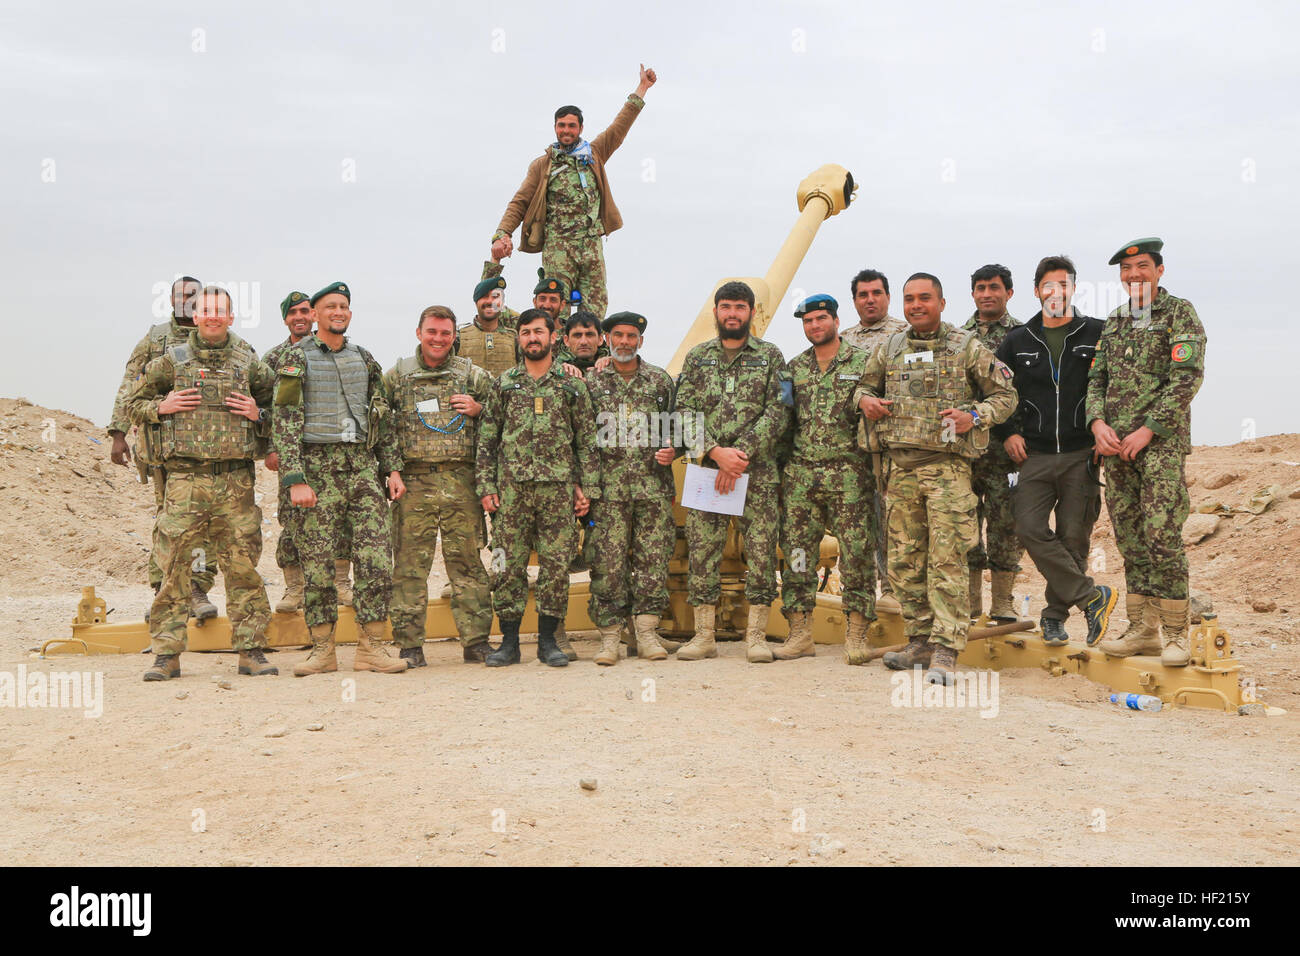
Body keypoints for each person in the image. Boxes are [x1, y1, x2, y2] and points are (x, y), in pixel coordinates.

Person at [854, 273, 1018, 685]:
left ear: (942, 303)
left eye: (924, 298)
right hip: (899, 468)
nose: (915, 305)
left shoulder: (966, 347)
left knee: (947, 560)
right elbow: (860, 388)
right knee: (905, 560)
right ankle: (919, 640)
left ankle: (946, 647)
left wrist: (974, 416)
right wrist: (866, 401)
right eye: (909, 299)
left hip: (946, 469)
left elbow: (1006, 396)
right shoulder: (889, 347)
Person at [125, 286, 277, 681]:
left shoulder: (249, 363)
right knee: (174, 568)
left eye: (219, 311)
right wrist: (161, 406)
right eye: (205, 310)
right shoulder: (170, 362)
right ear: (195, 316)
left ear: (231, 317)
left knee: (242, 567)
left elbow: (284, 407)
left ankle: (251, 650)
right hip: (184, 480)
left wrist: (259, 412)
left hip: (235, 481)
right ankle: (166, 655)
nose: (212, 316)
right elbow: (131, 403)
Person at [272, 281, 409, 676]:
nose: (338, 311)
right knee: (317, 563)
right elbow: (285, 421)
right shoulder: (296, 359)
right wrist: (295, 478)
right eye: (330, 306)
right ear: (313, 314)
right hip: (317, 467)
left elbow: (381, 418)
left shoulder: (364, 358)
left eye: (344, 306)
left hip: (362, 467)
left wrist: (392, 468)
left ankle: (372, 647)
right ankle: (322, 650)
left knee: (376, 559)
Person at [1087, 238, 1206, 666]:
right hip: (1116, 448)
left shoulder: (1179, 314)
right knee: (1131, 540)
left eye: (1141, 267)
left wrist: (1149, 430)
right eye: (1126, 269)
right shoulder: (1116, 320)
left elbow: (1187, 376)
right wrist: (1097, 424)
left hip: (1159, 447)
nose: (1133, 275)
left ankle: (1176, 633)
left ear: (1159, 271)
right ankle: (1142, 630)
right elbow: (1096, 379)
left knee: (1162, 537)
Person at [994, 256, 1116, 646]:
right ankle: (1090, 596)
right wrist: (1007, 433)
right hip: (1035, 454)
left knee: (1073, 537)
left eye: (1063, 285)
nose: (1055, 292)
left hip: (1083, 452)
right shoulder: (1016, 340)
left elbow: (1111, 386)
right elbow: (997, 392)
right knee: (1028, 527)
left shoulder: (1096, 332)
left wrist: (1104, 433)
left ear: (1072, 289)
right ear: (1037, 290)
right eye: (1048, 285)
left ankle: (1054, 617)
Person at [476, 308, 602, 667]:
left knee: (556, 565)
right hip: (511, 492)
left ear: (553, 338)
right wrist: (486, 485)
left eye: (538, 332)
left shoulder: (571, 386)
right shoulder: (504, 384)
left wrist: (587, 489)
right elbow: (487, 440)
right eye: (526, 332)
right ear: (519, 338)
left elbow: (585, 442)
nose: (532, 338)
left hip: (558, 492)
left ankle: (548, 641)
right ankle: (510, 642)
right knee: (506, 566)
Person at [673, 281, 790, 663]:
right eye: (726, 307)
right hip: (709, 473)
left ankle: (754, 636)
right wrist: (716, 453)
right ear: (716, 312)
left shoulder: (772, 357)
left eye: (740, 307)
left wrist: (740, 456)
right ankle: (704, 635)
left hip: (756, 474)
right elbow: (682, 412)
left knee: (759, 552)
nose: (732, 314)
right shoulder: (697, 358)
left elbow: (780, 411)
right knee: (702, 551)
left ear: (751, 313)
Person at [490, 64, 657, 320]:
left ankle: (596, 357)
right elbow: (520, 202)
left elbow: (619, 127)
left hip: (591, 244)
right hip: (559, 246)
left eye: (571, 126)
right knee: (556, 310)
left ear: (580, 128)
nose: (566, 130)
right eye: (561, 126)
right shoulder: (543, 165)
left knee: (596, 309)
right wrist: (502, 233)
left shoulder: (595, 153)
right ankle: (558, 357)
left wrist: (642, 89)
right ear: (555, 128)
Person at [772, 294, 882, 664]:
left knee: (857, 555)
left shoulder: (863, 364)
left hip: (850, 474)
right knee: (799, 555)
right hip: (802, 477)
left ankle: (856, 634)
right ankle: (800, 632)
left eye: (821, 319)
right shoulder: (792, 368)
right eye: (808, 322)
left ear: (835, 320)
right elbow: (783, 422)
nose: (815, 326)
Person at [385, 306, 497, 666]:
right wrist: (391, 470)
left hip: (461, 480)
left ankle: (476, 640)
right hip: (413, 480)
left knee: (466, 562)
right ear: (419, 333)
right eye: (432, 332)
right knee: (409, 565)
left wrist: (479, 409)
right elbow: (379, 423)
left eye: (445, 333)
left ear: (454, 337)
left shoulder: (472, 376)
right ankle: (409, 645)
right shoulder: (398, 376)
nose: (438, 339)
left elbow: (505, 413)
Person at [108, 275, 221, 620]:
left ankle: (197, 588)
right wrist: (117, 433)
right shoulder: (156, 339)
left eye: (193, 295)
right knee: (168, 521)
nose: (186, 300)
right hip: (163, 447)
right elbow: (131, 384)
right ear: (171, 301)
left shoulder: (215, 336)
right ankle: (164, 590)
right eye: (180, 296)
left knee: (204, 521)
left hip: (207, 447)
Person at [585, 311, 679, 664]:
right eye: (618, 335)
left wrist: (675, 446)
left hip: (652, 488)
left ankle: (647, 634)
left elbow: (677, 425)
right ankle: (610, 637)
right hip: (608, 492)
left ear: (641, 340)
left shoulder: (659, 382)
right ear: (606, 338)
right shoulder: (592, 383)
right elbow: (583, 438)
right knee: (608, 564)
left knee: (652, 560)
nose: (625, 342)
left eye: (632, 336)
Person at [263, 290, 353, 613]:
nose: (299, 317)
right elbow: (267, 407)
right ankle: (295, 588)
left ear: (313, 315)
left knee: (341, 520)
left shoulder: (332, 350)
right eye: (293, 313)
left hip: (330, 453)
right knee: (292, 520)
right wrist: (272, 448)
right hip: (292, 455)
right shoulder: (274, 359)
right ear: (286, 319)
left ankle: (341, 583)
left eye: (305, 311)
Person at [840, 269, 907, 615]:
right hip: (852, 447)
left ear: (887, 296)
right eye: (863, 294)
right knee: (857, 520)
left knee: (893, 519)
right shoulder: (843, 339)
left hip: (896, 444)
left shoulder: (906, 334)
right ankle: (857, 594)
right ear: (854, 301)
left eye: (876, 293)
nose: (870, 300)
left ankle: (892, 589)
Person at [963, 264, 1024, 619]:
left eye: (994, 288)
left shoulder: (1023, 334)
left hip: (1006, 450)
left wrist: (1017, 432)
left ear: (1008, 293)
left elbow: (1023, 392)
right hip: (969, 450)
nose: (987, 293)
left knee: (1005, 524)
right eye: (981, 287)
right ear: (972, 293)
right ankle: (971, 604)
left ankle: (1003, 602)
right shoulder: (958, 336)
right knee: (967, 523)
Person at [458, 275, 519, 376]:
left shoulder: (514, 338)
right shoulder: (459, 336)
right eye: (485, 296)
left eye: (495, 297)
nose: (490, 301)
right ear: (476, 302)